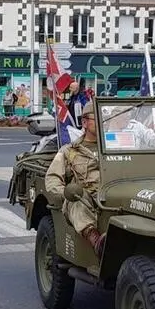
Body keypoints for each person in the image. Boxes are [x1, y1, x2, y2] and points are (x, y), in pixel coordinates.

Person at [45, 101, 105, 257]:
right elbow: (52, 178)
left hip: (112, 194)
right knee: (76, 197)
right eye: (96, 118)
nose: (101, 122)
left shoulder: (117, 147)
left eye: (104, 118)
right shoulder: (69, 151)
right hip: (85, 199)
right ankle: (96, 240)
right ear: (84, 122)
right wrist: (65, 195)